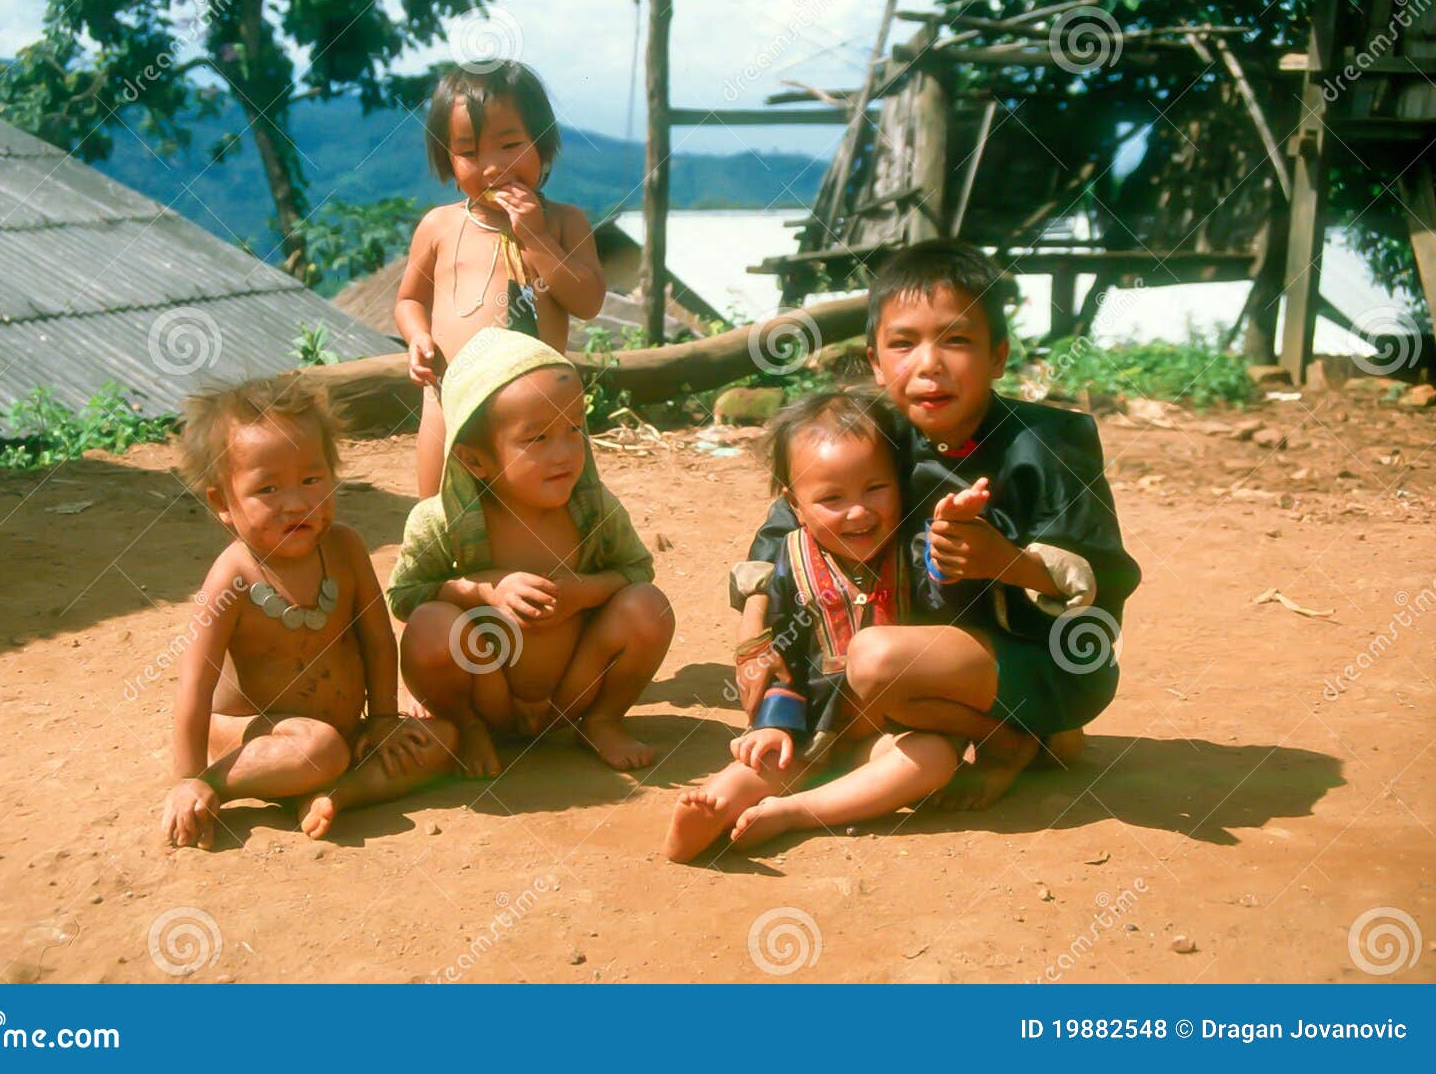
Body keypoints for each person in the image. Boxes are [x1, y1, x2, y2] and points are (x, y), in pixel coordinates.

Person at [734, 239, 1142, 811]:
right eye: (903, 343)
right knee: (847, 673)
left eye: (956, 340)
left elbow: (1106, 578)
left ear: (998, 356)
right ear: (875, 362)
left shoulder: (1049, 445)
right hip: (924, 654)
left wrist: (1005, 563)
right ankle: (1024, 732)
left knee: (873, 661)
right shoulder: (874, 439)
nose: (929, 364)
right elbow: (782, 534)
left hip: (1048, 661)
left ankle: (1008, 742)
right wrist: (753, 640)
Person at [162, 377, 456, 848]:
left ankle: (336, 793)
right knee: (319, 749)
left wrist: (383, 720)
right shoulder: (232, 578)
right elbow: (194, 688)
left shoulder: (346, 548)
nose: (296, 503)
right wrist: (189, 778)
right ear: (222, 503)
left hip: (344, 734)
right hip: (257, 739)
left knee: (441, 740)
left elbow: (378, 641)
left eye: (312, 480)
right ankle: (219, 786)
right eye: (268, 489)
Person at [664, 392, 959, 861]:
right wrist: (772, 724)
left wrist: (947, 561)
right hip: (808, 734)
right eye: (832, 498)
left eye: (876, 488)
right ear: (795, 505)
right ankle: (703, 820)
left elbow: (944, 605)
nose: (858, 512)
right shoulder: (790, 563)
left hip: (889, 737)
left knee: (934, 757)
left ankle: (795, 812)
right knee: (758, 764)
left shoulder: (911, 550)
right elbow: (782, 657)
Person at [387, 328, 673, 778]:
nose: (564, 454)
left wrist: (585, 592)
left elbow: (637, 571)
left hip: (572, 692)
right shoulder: (440, 520)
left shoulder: (593, 509)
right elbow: (405, 596)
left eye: (573, 429)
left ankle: (601, 721)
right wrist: (483, 590)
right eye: (537, 438)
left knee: (648, 607)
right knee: (429, 625)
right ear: (474, 460)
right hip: (488, 692)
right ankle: (468, 727)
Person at [396, 60, 605, 498]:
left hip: (540, 410)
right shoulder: (438, 226)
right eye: (469, 153)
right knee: (439, 509)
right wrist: (417, 337)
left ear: (542, 146)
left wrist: (536, 237)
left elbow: (587, 302)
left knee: (548, 512)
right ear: (447, 159)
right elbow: (409, 300)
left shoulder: (564, 222)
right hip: (448, 399)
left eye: (509, 145)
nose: (491, 167)